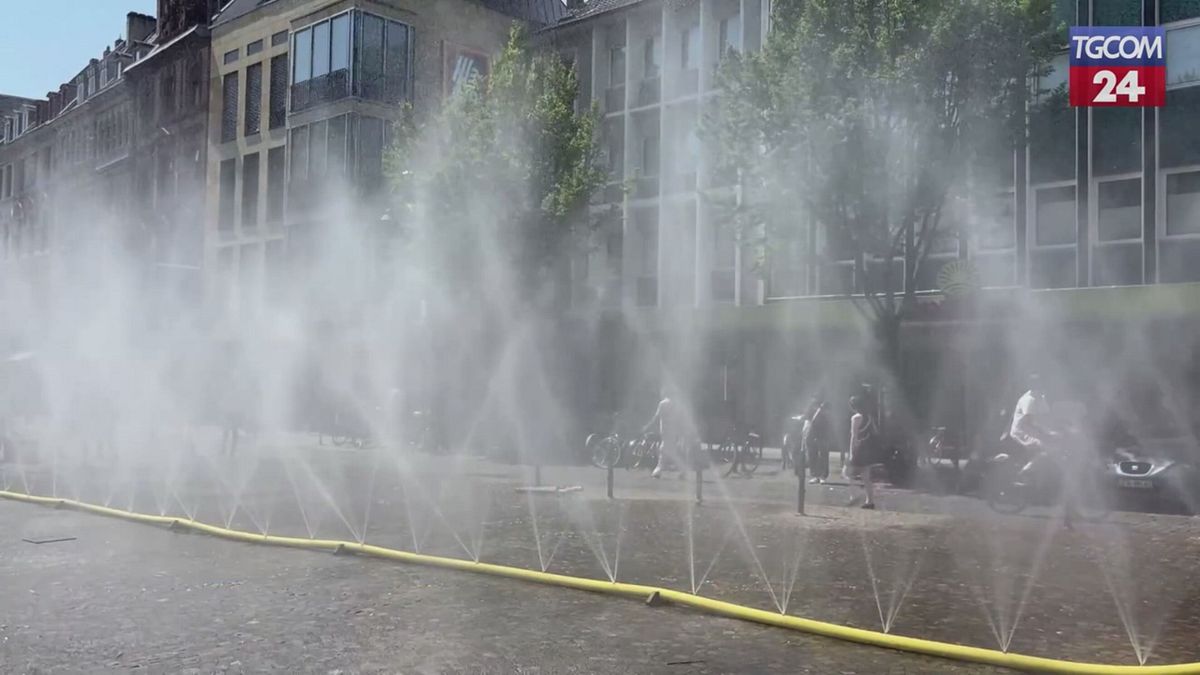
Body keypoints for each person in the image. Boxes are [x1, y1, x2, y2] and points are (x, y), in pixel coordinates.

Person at [643, 386, 687, 479]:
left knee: (664, 450)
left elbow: (656, 417)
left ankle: (659, 470)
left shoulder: (663, 404)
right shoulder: (678, 404)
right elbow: (681, 419)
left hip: (665, 430)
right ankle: (680, 469)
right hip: (674, 430)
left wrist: (647, 426)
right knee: (668, 450)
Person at [844, 395, 877, 509]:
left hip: (859, 448)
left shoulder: (856, 418)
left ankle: (854, 495)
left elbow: (854, 435)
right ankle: (870, 501)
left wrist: (851, 451)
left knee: (847, 472)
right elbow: (874, 431)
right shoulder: (869, 417)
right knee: (866, 476)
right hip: (867, 447)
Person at [805, 397, 831, 484]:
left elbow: (827, 422)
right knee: (812, 455)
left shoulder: (824, 411)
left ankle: (823, 476)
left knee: (823, 455)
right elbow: (808, 421)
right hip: (812, 434)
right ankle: (815, 475)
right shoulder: (810, 411)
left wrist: (820, 410)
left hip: (822, 435)